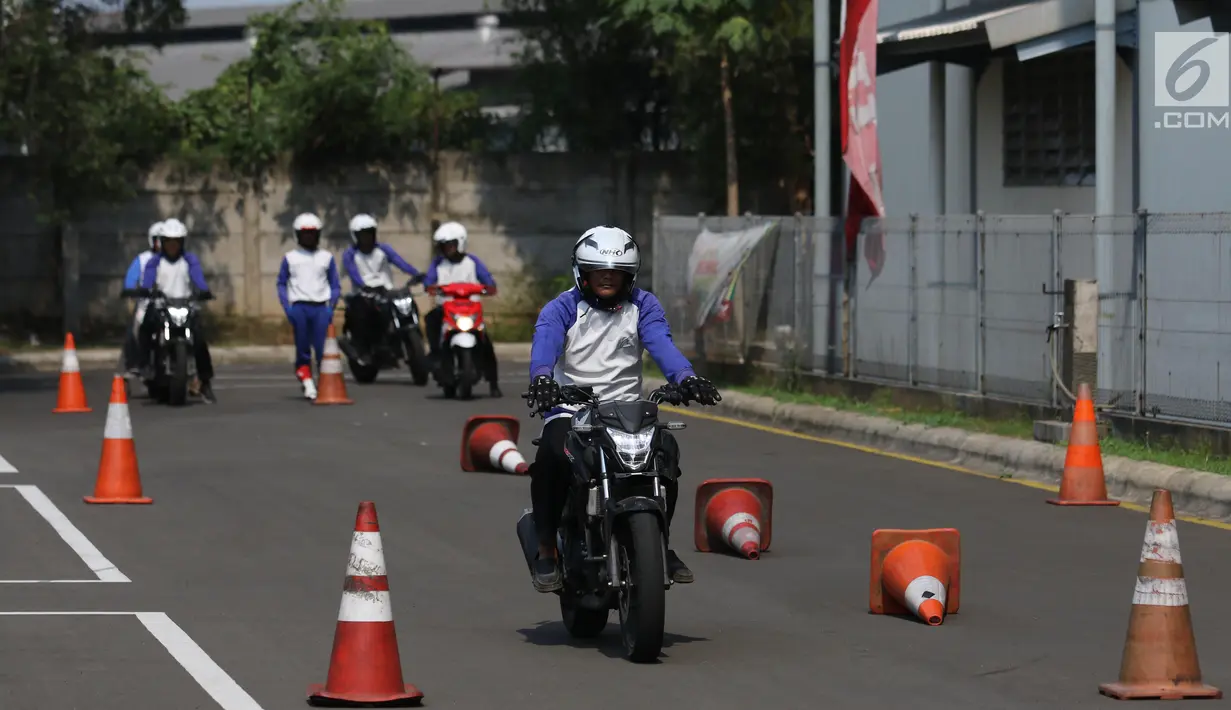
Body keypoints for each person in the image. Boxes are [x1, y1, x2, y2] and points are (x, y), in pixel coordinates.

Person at [523, 225, 722, 593]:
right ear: (582, 272)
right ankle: (547, 546)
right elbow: (545, 345)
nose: (607, 279)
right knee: (552, 451)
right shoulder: (561, 307)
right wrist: (541, 379)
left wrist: (686, 378)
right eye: (599, 271)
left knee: (665, 453)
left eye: (616, 273)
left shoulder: (644, 305)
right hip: (571, 407)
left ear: (629, 275)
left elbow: (661, 344)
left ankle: (659, 543)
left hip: (627, 410)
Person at [138, 217, 217, 404]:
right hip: (161, 306)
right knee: (145, 328)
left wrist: (204, 291)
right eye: (168, 242)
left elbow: (198, 278)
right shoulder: (154, 262)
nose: (172, 246)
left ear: (182, 242)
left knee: (199, 339)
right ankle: (145, 367)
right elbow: (148, 280)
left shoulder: (189, 260)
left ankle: (205, 381)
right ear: (162, 243)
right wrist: (146, 289)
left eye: (176, 242)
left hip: (186, 306)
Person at [422, 220, 501, 397]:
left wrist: (489, 287)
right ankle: (435, 353)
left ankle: (493, 383)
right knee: (430, 318)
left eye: (451, 245)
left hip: (470, 308)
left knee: (486, 343)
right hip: (446, 308)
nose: (448, 249)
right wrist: (431, 286)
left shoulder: (472, 262)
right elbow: (429, 280)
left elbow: (487, 280)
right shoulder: (438, 264)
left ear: (461, 243)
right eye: (444, 246)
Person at [277, 212, 342, 400]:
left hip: (321, 308)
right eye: (305, 233)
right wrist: (287, 307)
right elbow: (281, 283)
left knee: (323, 349)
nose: (309, 237)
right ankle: (307, 382)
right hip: (299, 307)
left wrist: (331, 305)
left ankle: (326, 383)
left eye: (312, 233)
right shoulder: (290, 258)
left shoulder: (326, 257)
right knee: (303, 348)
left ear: (318, 235)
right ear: (297, 235)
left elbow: (335, 284)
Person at [340, 213, 423, 354]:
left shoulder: (383, 249)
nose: (367, 238)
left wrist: (416, 274)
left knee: (408, 305)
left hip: (386, 291)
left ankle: (408, 336)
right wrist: (363, 285)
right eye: (363, 235)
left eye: (370, 233)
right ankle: (361, 347)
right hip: (363, 293)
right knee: (363, 314)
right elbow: (353, 273)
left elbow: (400, 262)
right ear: (355, 236)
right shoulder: (350, 254)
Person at [121, 220, 163, 376]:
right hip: (147, 305)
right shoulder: (142, 259)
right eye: (159, 239)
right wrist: (131, 289)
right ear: (152, 240)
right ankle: (136, 364)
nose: (162, 243)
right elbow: (130, 280)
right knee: (134, 331)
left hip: (173, 304)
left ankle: (195, 371)